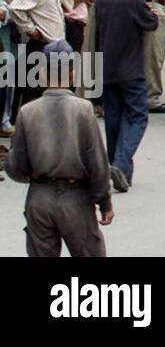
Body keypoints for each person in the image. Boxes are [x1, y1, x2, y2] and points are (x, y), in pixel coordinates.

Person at [5, 40, 114, 256]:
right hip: (76, 199)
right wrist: (104, 202)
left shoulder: (27, 112)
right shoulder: (83, 110)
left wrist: (36, 178)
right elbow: (98, 164)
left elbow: (15, 166)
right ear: (73, 73)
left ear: (42, 73)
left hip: (39, 198)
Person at [94, 0, 159, 193]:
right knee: (137, 116)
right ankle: (120, 165)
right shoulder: (133, 1)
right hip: (131, 69)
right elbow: (150, 22)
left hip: (107, 68)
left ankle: (118, 168)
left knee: (114, 118)